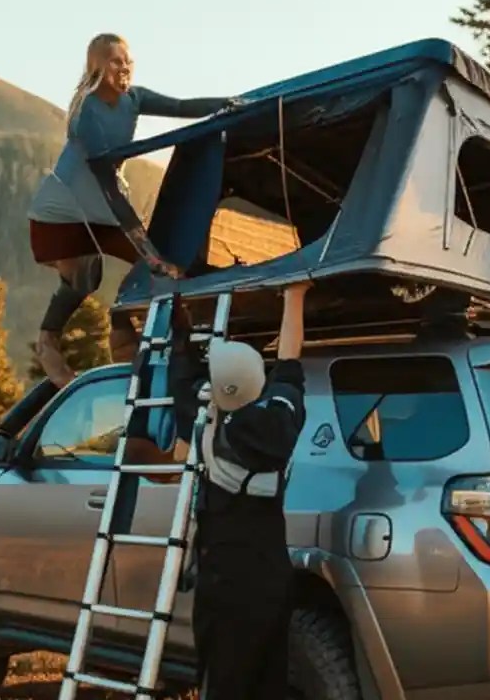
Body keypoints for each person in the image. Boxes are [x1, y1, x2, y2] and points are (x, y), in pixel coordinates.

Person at [29, 32, 240, 386]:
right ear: (97, 65)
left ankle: (125, 335)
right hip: (67, 206)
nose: (124, 68)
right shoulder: (86, 114)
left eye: (128, 61)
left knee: (154, 267)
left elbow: (179, 107)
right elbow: (108, 186)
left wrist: (229, 103)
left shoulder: (134, 99)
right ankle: (48, 341)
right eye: (115, 61)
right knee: (87, 277)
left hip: (100, 205)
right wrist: (147, 249)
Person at [164, 281, 310, 699]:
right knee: (268, 680)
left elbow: (183, 381)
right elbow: (289, 364)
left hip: (221, 580)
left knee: (224, 681)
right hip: (269, 578)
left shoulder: (205, 419)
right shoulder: (275, 424)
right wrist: (295, 297)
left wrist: (182, 333)